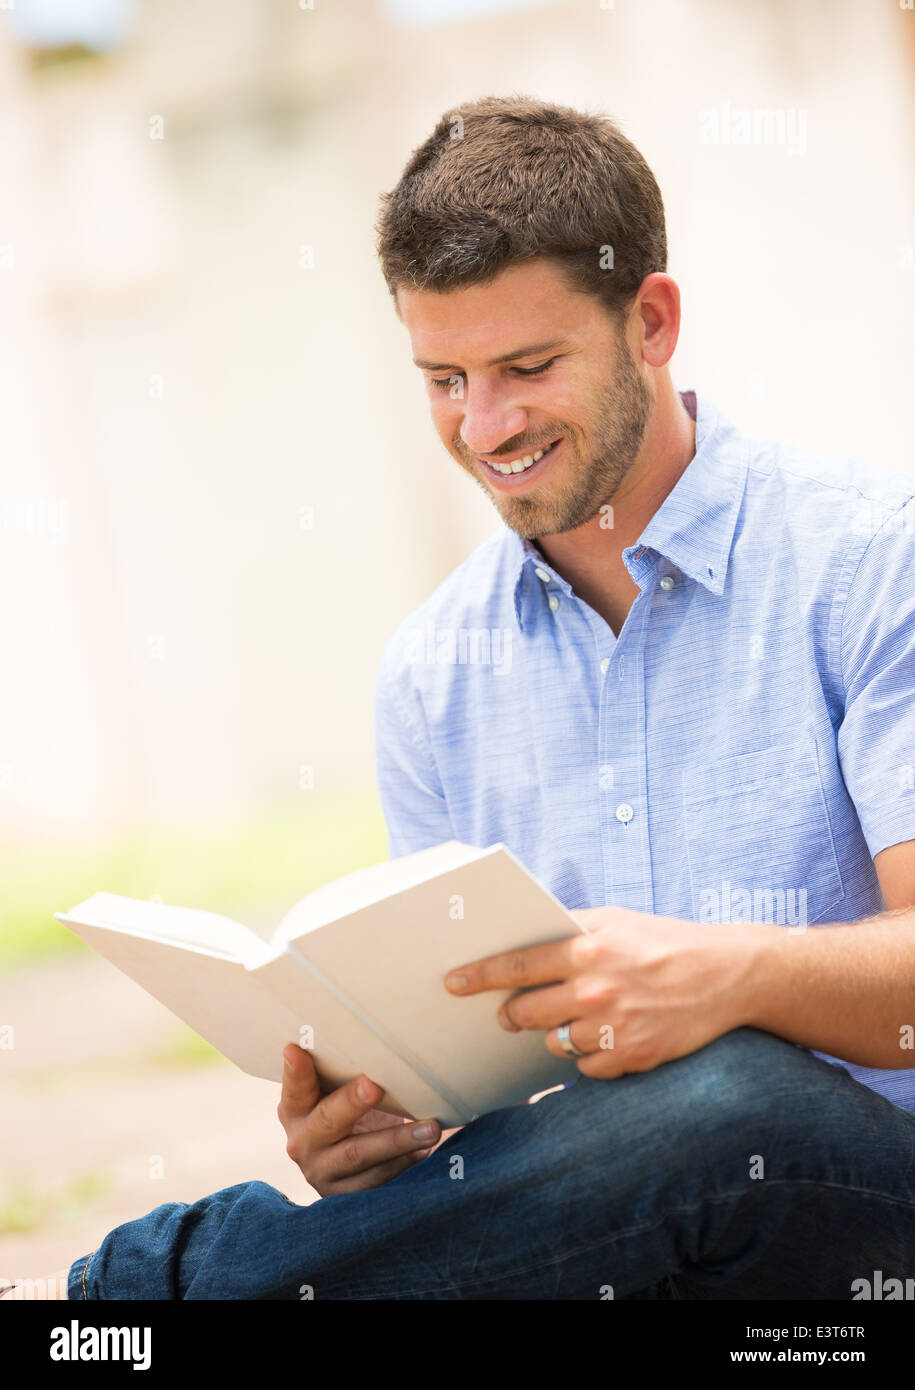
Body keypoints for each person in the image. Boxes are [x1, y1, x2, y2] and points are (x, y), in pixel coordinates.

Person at [7, 94, 915, 1302]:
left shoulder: (867, 560)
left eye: (528, 367)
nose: (485, 427)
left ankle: (143, 1299)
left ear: (651, 320)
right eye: (444, 378)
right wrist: (386, 1136)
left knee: (727, 1095)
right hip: (640, 1248)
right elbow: (490, 1104)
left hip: (863, 1217)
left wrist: (733, 978)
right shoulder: (436, 674)